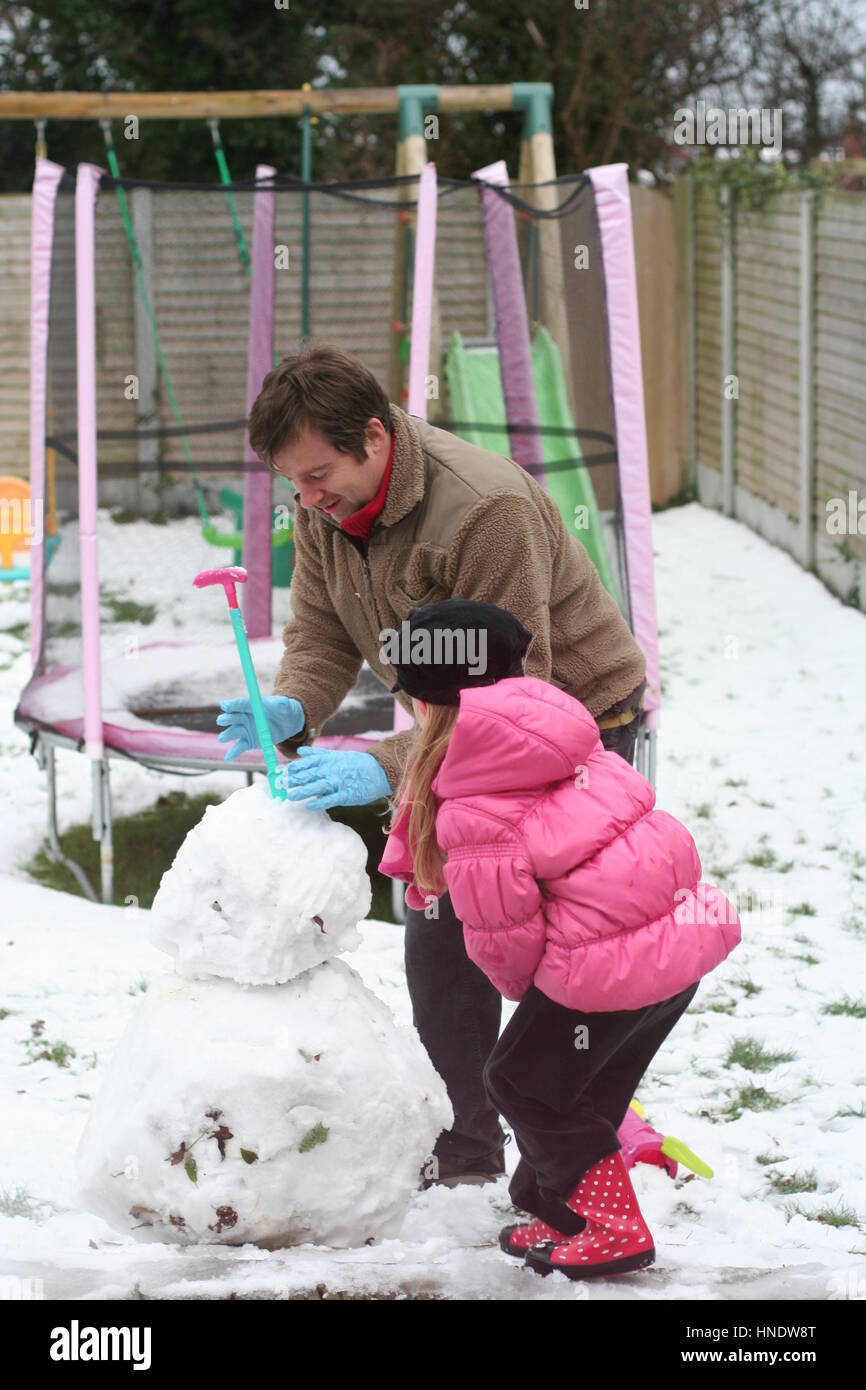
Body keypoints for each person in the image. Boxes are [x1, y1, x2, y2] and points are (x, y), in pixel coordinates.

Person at [216, 343, 648, 1186]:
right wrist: (298, 704)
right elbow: (323, 630)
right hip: (457, 723)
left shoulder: (482, 509)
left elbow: (517, 688)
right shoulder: (324, 503)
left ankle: (581, 1143)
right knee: (444, 934)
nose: (305, 501)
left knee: (566, 950)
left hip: (573, 718)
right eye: (292, 483)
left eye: (317, 476)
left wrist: (388, 766)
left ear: (375, 437)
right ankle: (466, 1140)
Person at [377, 599, 741, 1279]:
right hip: (677, 945)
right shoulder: (562, 733)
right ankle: (562, 1210)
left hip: (612, 963)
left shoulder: (470, 799)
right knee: (576, 1091)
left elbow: (502, 936)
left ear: (428, 707)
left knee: (520, 1081)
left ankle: (612, 1227)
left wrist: (537, 996)